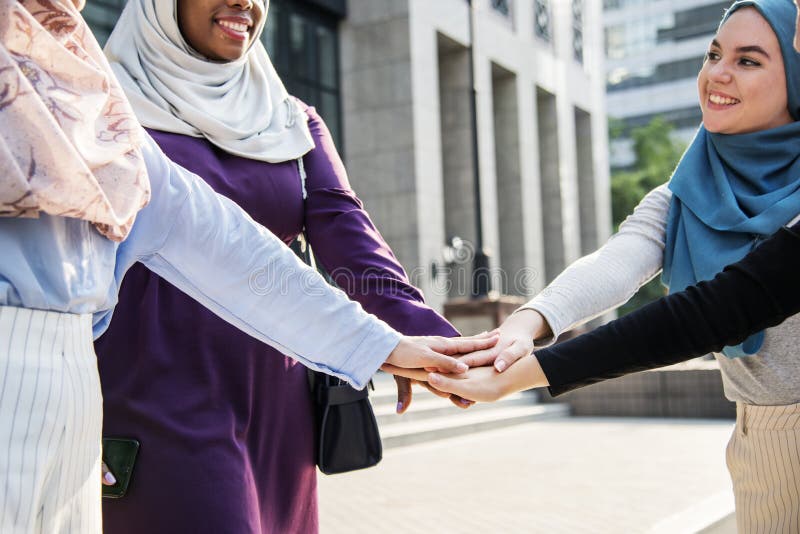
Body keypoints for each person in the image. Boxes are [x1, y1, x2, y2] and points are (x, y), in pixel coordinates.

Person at [0, 1, 491, 532]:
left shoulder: (106, 107)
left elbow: (254, 245)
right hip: (148, 386)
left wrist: (418, 342)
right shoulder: (109, 99)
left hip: (265, 382)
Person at [409, 0, 800, 530]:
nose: (718, 73)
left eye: (749, 60)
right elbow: (618, 259)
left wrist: (518, 378)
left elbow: (713, 313)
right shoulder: (690, 189)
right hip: (760, 433)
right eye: (713, 53)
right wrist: (524, 327)